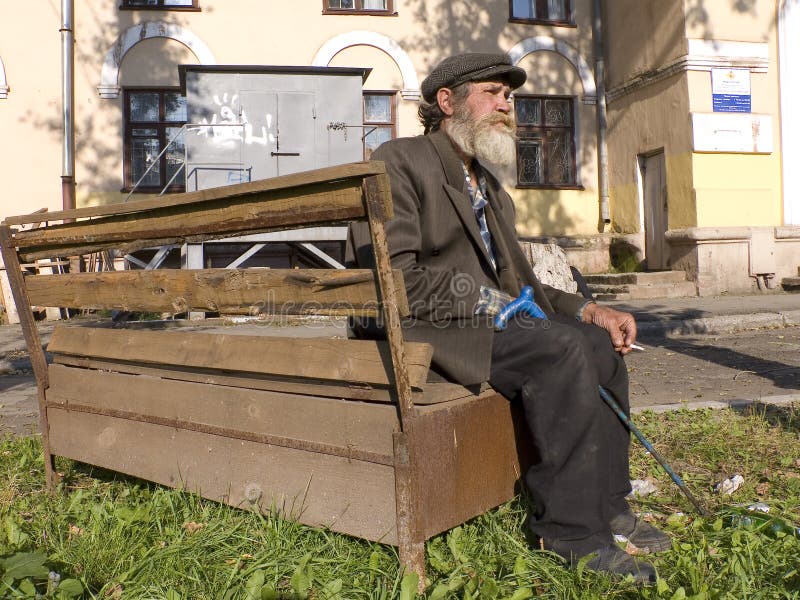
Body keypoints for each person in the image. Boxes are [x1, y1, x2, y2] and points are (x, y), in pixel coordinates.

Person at [348, 53, 670, 583]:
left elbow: (521, 285)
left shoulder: (491, 189)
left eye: (509, 97)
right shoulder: (400, 160)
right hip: (428, 328)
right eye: (493, 93)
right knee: (561, 350)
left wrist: (588, 309)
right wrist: (493, 304)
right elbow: (396, 277)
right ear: (447, 102)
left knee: (597, 346)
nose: (506, 105)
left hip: (488, 322)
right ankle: (570, 534)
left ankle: (611, 505)